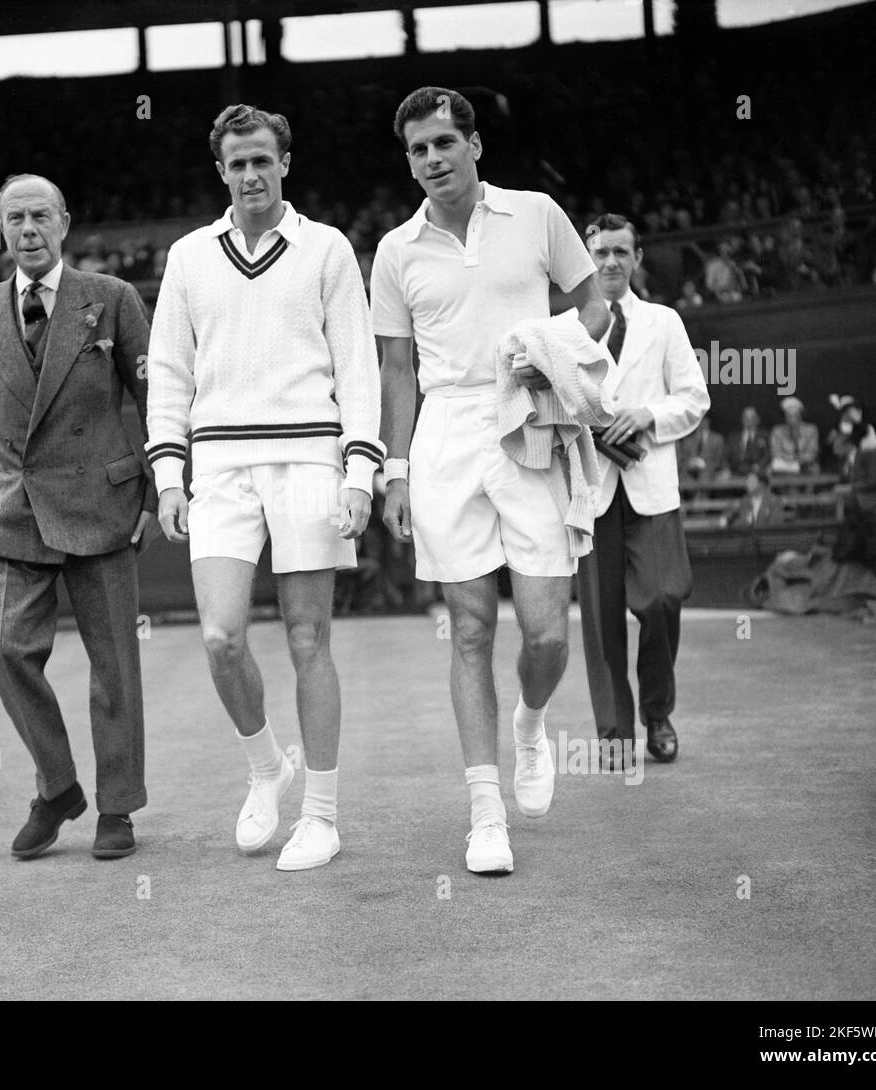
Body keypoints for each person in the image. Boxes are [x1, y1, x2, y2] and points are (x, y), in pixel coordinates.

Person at [372, 87, 609, 875]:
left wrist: (549, 349)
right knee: (469, 627)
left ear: (475, 145)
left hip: (530, 418)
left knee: (545, 631)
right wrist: (395, 469)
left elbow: (594, 304)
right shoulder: (396, 249)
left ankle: (532, 725)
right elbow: (397, 367)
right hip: (444, 433)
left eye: (444, 142)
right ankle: (484, 813)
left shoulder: (538, 212)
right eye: (418, 150)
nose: (433, 160)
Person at [146, 105, 383, 872]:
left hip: (311, 459)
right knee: (220, 636)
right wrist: (170, 474)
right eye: (236, 163)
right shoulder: (188, 256)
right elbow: (171, 373)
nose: (250, 174)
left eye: (262, 160)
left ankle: (320, 816)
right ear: (221, 171)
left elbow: (358, 367)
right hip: (217, 465)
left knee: (309, 638)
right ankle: (264, 768)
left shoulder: (328, 248)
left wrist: (360, 472)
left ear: (285, 162)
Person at [0, 173, 159, 861]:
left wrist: (160, 493)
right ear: (0, 230)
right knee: (3, 648)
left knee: (115, 668)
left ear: (65, 224)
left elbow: (157, 397)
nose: (29, 229)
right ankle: (59, 787)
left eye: (41, 215)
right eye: (15, 218)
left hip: (103, 501)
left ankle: (118, 809)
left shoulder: (114, 299)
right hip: (11, 511)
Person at [576, 213, 711, 768]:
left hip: (651, 488)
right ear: (586, 258)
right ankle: (614, 732)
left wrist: (645, 416)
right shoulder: (563, 324)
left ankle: (658, 711)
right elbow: (547, 405)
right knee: (602, 618)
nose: (610, 262)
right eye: (601, 252)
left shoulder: (664, 321)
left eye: (620, 252)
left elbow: (694, 399)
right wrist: (592, 428)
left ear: (636, 259)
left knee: (661, 600)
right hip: (591, 488)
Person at [826, 394, 876, 509]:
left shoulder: (867, 452)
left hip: (864, 498)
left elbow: (873, 480)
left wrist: (851, 488)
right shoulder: (838, 439)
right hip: (845, 493)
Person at [770, 396, 821, 475]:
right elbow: (776, 452)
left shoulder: (811, 430)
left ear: (801, 415)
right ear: (784, 416)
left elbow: (812, 453)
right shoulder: (777, 431)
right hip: (784, 465)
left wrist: (798, 461)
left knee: (813, 469)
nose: (792, 418)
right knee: (773, 467)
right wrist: (790, 460)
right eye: (789, 415)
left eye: (795, 415)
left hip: (805, 465)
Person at [677, 414, 726, 484]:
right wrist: (690, 463)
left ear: (708, 421)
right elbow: (683, 460)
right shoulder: (687, 441)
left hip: (710, 472)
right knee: (684, 476)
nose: (702, 423)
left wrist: (704, 465)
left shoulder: (717, 439)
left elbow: (720, 459)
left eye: (703, 420)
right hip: (690, 472)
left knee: (704, 476)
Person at [726, 405, 771, 477]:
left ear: (757, 419)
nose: (748, 420)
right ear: (742, 419)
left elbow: (768, 454)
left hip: (758, 471)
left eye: (751, 417)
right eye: (746, 417)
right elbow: (726, 456)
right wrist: (727, 468)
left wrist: (759, 465)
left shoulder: (764, 435)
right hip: (736, 470)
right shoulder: (733, 437)